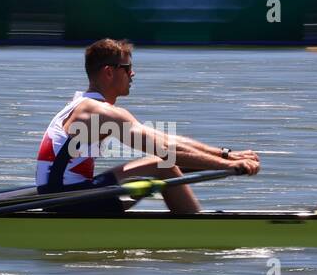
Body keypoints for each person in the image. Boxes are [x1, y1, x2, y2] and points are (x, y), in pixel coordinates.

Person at [36, 38, 259, 214]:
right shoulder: (101, 112)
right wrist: (225, 166)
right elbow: (165, 150)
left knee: (163, 164)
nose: (132, 74)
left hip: (60, 195)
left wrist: (226, 155)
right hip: (66, 201)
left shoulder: (81, 104)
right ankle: (199, 232)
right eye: (127, 67)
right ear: (109, 72)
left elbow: (167, 140)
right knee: (163, 164)